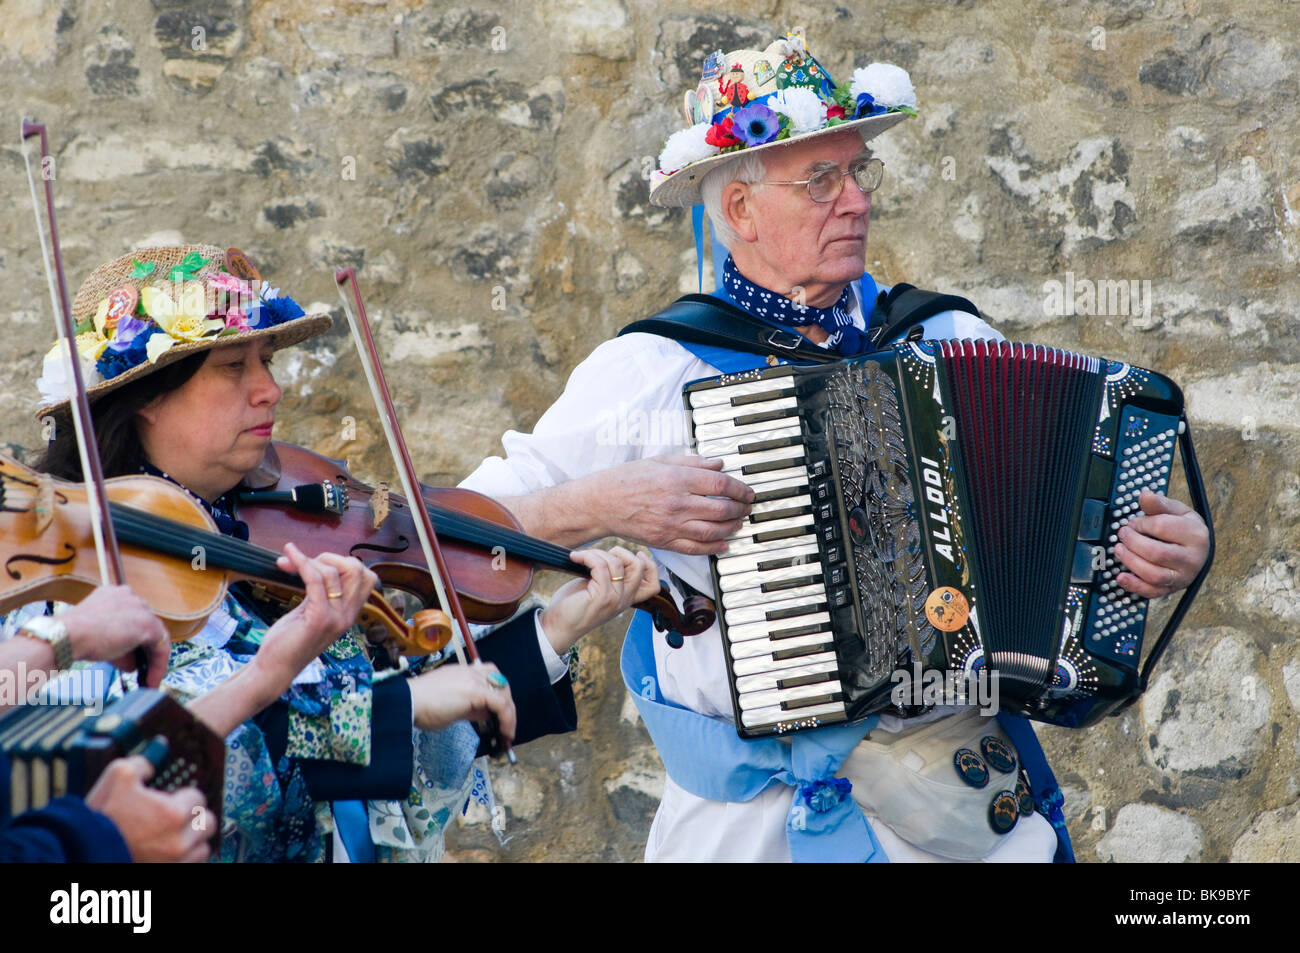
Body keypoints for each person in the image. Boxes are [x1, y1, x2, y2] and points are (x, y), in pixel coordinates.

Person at [460, 31, 1212, 862]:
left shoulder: (947, 337)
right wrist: (602, 504)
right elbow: (463, 533)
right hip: (758, 829)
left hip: (970, 819)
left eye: (858, 172)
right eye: (820, 180)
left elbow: (1060, 538)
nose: (855, 199)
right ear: (739, 210)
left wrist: (1147, 551)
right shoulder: (649, 371)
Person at [13, 242, 658, 862]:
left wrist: (550, 632)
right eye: (234, 368)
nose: (271, 390)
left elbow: (392, 731)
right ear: (146, 399)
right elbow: (139, 769)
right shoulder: (70, 571)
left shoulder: (245, 538)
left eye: (266, 362)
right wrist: (401, 707)